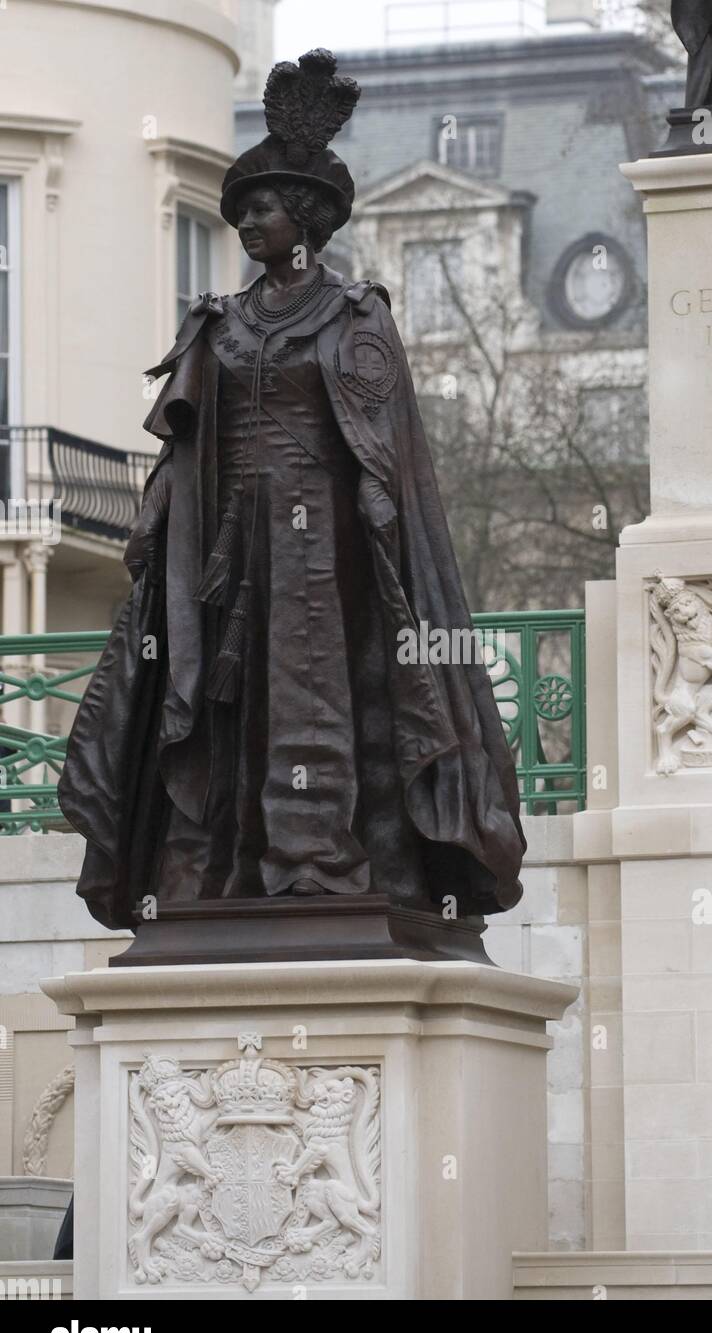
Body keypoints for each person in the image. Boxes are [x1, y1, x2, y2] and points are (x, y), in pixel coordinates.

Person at [57, 50, 525, 931]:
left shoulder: (354, 315)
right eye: (240, 212)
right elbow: (184, 438)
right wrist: (159, 512)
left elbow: (385, 446)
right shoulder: (222, 322)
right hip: (229, 536)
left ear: (303, 217)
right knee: (220, 697)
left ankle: (319, 860)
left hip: (325, 545)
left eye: (262, 209)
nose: (246, 224)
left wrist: (378, 528)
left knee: (315, 691)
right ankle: (221, 863)